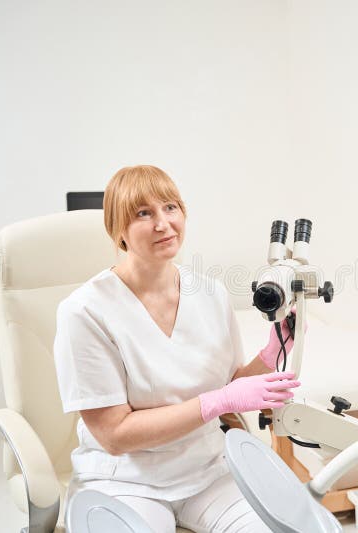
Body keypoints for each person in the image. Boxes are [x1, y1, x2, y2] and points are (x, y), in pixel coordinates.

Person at [54, 165, 299, 532]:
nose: (163, 224)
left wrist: (270, 353)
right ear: (117, 229)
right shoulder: (86, 311)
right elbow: (114, 435)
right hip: (126, 480)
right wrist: (216, 402)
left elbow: (232, 383)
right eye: (143, 213)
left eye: (171, 207)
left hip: (209, 471)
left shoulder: (211, 293)